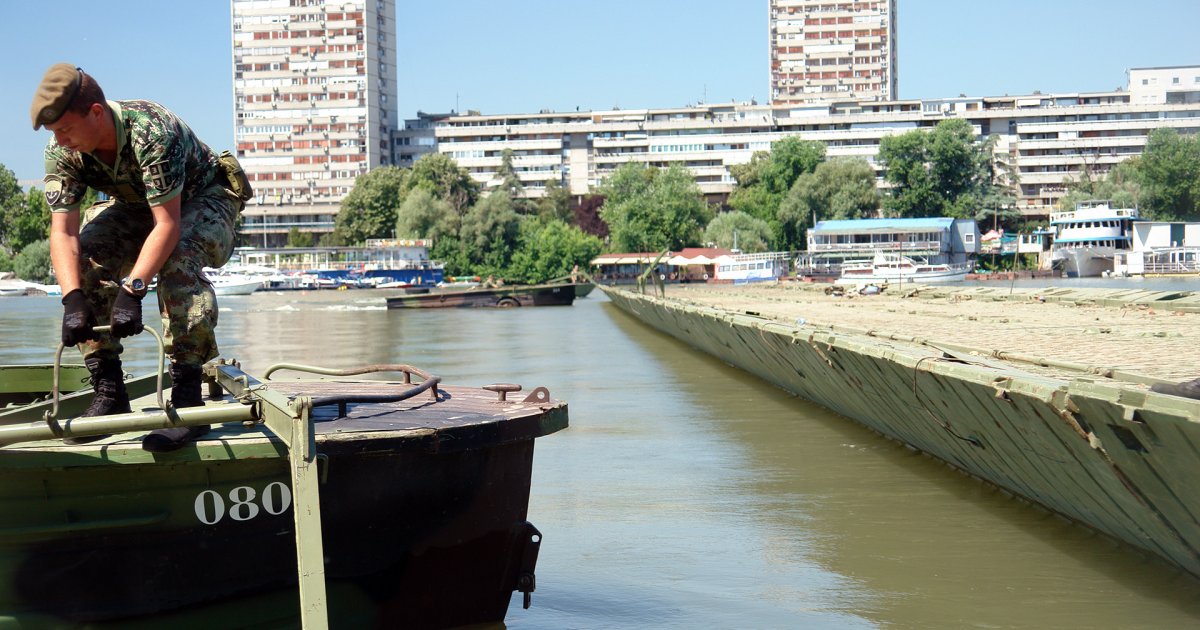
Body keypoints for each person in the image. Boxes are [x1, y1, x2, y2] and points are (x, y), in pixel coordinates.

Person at [31, 63, 251, 452]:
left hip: (205, 199)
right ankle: (109, 390)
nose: (60, 140)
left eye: (65, 129)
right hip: (137, 206)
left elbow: (167, 224)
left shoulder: (151, 131)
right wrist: (73, 300)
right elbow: (63, 232)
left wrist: (132, 291)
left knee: (178, 260)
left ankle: (187, 399)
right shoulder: (62, 152)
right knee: (85, 264)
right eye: (55, 133)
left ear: (96, 113)